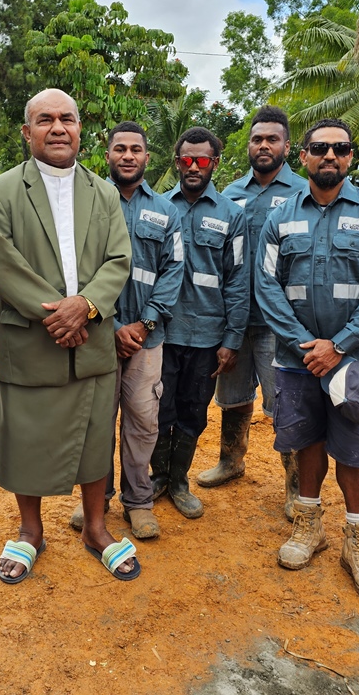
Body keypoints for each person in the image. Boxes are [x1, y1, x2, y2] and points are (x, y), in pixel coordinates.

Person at [0, 89, 135, 582]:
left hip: (90, 338)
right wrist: (57, 315)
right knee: (25, 439)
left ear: (79, 129)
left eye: (67, 118)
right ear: (27, 132)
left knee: (94, 440)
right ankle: (30, 532)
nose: (58, 127)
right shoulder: (0, 191)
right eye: (44, 120)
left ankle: (95, 528)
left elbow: (119, 260)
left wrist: (84, 307)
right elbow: (1, 265)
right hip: (31, 339)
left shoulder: (104, 192)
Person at [254, 118, 359, 602]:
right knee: (305, 441)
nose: (329, 156)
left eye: (340, 149)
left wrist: (338, 344)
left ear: (351, 158)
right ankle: (309, 527)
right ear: (305, 156)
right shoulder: (280, 218)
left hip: (354, 362)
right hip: (296, 360)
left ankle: (358, 543)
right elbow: (267, 288)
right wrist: (303, 345)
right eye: (320, 148)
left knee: (355, 451)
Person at [69, 121, 185, 540]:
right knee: (96, 422)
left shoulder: (167, 211)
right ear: (108, 155)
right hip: (97, 335)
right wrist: (112, 324)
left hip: (148, 338)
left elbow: (174, 271)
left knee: (143, 421)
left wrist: (144, 323)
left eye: (136, 149)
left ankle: (138, 503)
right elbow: (78, 269)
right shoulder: (90, 203)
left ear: (147, 158)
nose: (128, 156)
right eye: (120, 149)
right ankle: (97, 501)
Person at [205, 106, 307, 520]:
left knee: (285, 403)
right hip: (232, 319)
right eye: (257, 139)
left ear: (287, 145)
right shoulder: (230, 194)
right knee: (232, 398)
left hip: (277, 323)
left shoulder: (303, 192)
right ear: (248, 145)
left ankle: (296, 488)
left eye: (272, 139)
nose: (263, 146)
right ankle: (232, 461)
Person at [151, 127, 249, 519]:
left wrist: (233, 337)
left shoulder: (232, 216)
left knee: (193, 410)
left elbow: (238, 281)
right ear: (176, 162)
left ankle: (179, 481)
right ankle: (157, 477)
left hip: (208, 335)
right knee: (158, 409)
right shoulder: (157, 208)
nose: (194, 167)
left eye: (202, 160)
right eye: (186, 160)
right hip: (160, 332)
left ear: (215, 164)